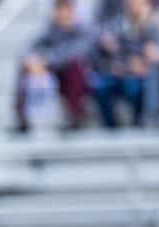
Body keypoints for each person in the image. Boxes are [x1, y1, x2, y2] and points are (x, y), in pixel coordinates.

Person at [15, 0, 97, 131]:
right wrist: (31, 60)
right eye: (59, 9)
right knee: (26, 66)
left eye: (66, 9)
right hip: (55, 72)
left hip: (80, 76)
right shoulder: (51, 28)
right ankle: (23, 117)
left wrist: (44, 61)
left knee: (75, 65)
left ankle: (74, 116)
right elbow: (29, 46)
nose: (63, 14)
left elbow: (71, 53)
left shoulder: (86, 30)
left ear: (73, 11)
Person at [92, 0, 159, 126]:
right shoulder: (118, 24)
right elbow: (112, 52)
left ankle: (140, 121)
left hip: (145, 75)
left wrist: (144, 65)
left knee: (134, 87)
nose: (134, 7)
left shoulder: (155, 25)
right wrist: (121, 65)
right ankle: (111, 127)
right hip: (122, 72)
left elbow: (157, 54)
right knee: (100, 86)